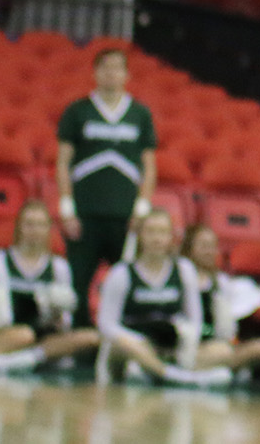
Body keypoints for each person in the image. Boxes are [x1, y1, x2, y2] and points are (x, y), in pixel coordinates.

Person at [57, 46, 157, 323]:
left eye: (117, 68)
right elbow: (63, 162)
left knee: (126, 283)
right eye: (105, 67)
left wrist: (142, 206)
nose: (111, 73)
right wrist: (67, 208)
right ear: (95, 72)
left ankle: (124, 340)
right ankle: (79, 341)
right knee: (78, 282)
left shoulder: (139, 114)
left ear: (127, 74)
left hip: (125, 216)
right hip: (85, 213)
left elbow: (148, 166)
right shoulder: (78, 111)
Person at [93, 209, 231, 387]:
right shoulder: (121, 273)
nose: (156, 238)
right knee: (121, 345)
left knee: (223, 350)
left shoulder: (184, 269)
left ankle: (164, 370)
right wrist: (138, 340)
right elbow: (106, 324)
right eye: (150, 231)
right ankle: (172, 375)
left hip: (170, 345)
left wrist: (187, 342)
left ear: (171, 237)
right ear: (140, 236)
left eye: (162, 232)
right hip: (134, 346)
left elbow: (195, 318)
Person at [0, 200, 99, 372]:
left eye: (40, 225)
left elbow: (66, 318)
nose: (35, 231)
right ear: (19, 227)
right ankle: (17, 358)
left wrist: (57, 312)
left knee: (90, 337)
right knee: (24, 335)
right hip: (9, 331)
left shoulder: (58, 266)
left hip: (43, 336)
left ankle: (20, 360)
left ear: (49, 229)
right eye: (29, 224)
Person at [178, 224, 260, 374]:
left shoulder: (220, 282)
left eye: (212, 246)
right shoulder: (179, 277)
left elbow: (229, 324)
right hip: (186, 345)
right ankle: (192, 368)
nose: (209, 251)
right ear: (190, 248)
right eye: (203, 246)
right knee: (224, 353)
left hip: (215, 345)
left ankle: (206, 369)